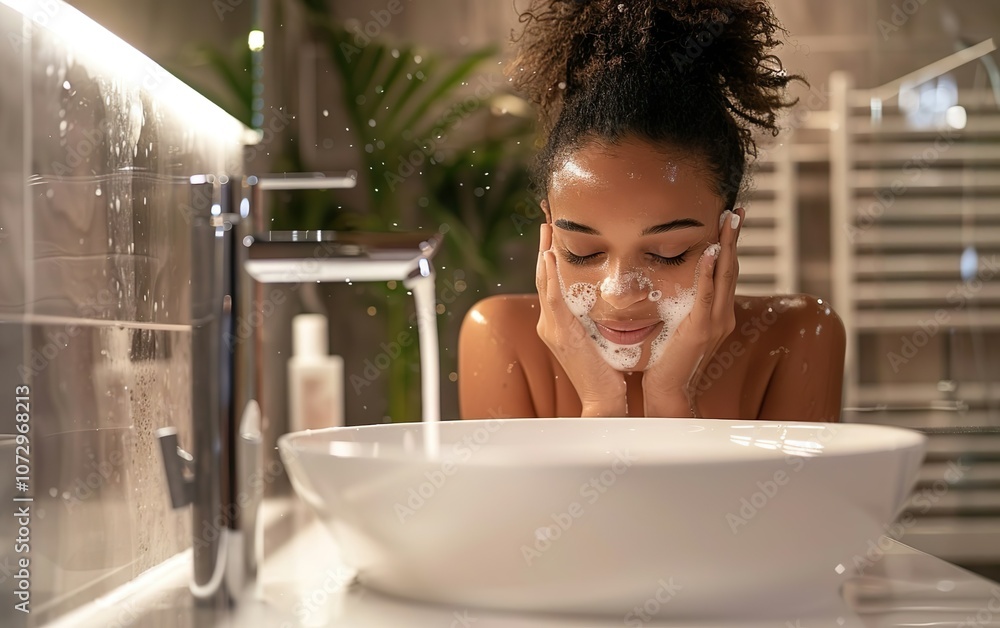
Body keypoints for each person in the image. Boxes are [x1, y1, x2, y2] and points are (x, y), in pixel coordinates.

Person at [458, 0, 845, 421]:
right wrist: (600, 404)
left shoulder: (797, 336)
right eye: (582, 252)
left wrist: (671, 398)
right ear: (548, 233)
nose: (619, 292)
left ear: (727, 234)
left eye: (667, 252)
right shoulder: (499, 337)